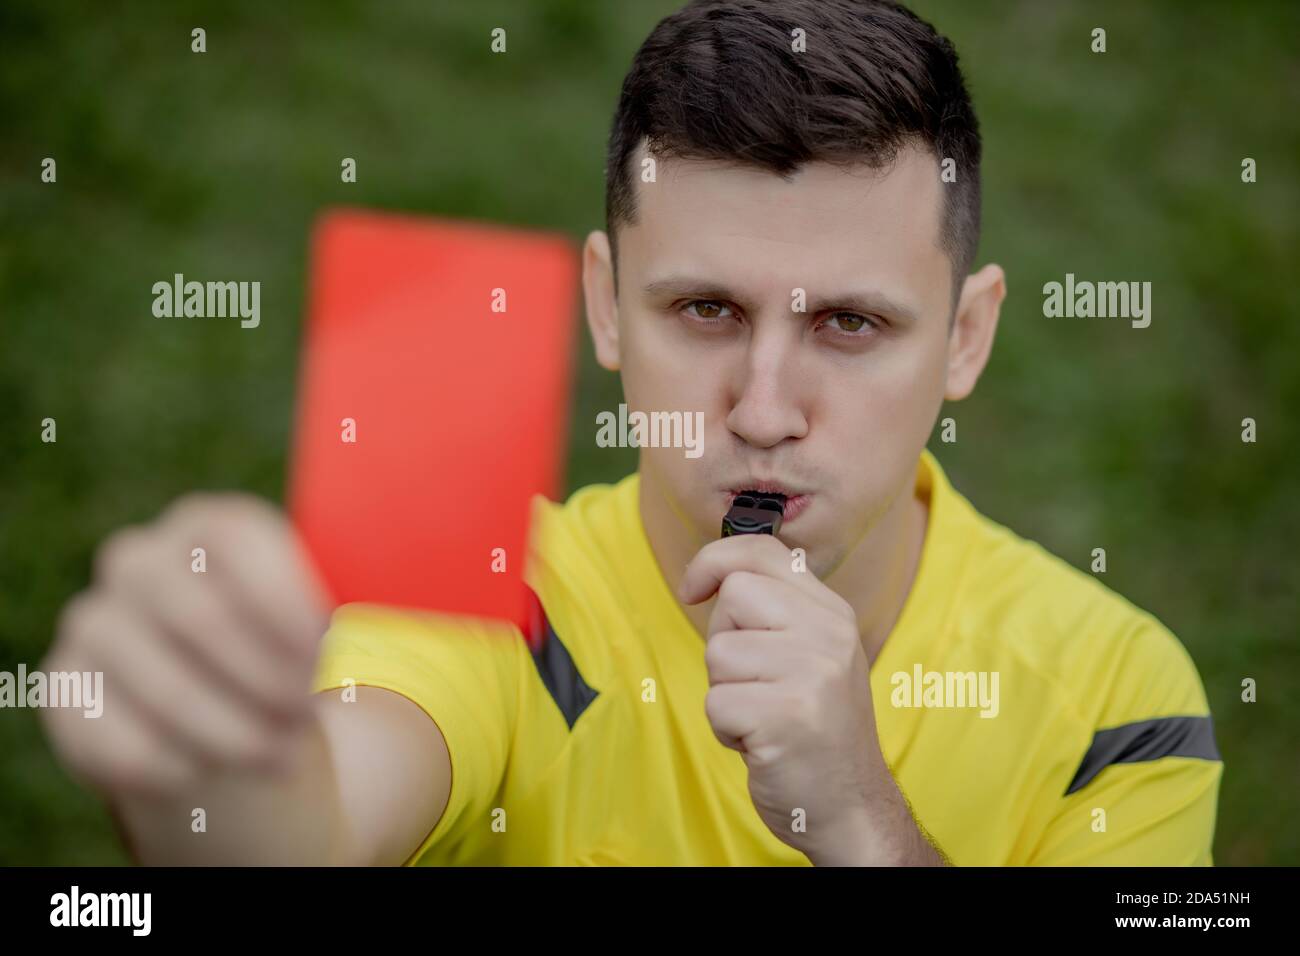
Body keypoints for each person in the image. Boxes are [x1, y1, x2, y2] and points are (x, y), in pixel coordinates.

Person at [41, 0, 1221, 866]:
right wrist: (209, 766)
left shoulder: (1119, 697)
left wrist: (865, 824)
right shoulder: (498, 602)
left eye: (851, 325)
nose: (763, 409)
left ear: (965, 338)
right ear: (607, 306)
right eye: (705, 310)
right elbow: (317, 824)